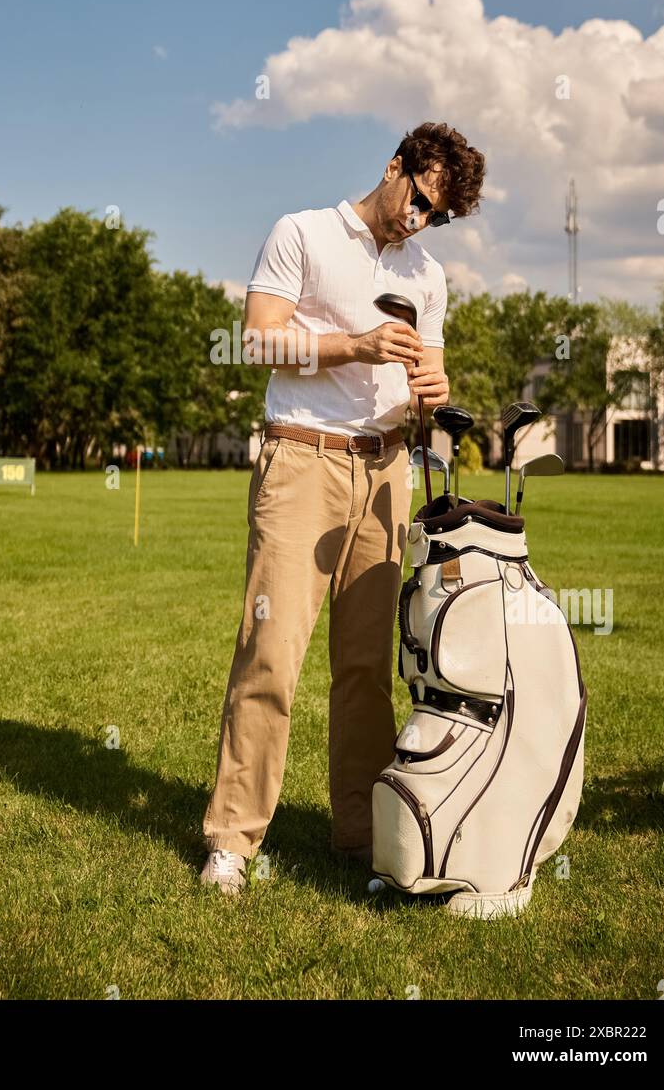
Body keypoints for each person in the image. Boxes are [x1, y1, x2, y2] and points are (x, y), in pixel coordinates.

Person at [200, 121, 486, 893]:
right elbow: (256, 341)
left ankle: (360, 839)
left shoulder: (427, 276)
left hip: (387, 469)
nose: (416, 220)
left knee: (365, 669)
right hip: (302, 461)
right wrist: (353, 346)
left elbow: (431, 377)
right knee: (271, 653)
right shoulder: (303, 233)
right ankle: (232, 840)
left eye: (435, 215)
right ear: (395, 166)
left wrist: (434, 395)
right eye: (417, 199)